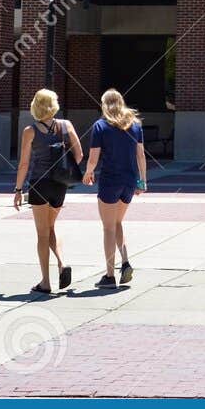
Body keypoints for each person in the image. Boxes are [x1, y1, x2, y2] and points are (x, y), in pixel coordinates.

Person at [12, 88, 83, 295]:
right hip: (60, 185)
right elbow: (79, 154)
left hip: (39, 184)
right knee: (51, 227)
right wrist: (66, 169)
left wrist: (18, 189)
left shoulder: (30, 131)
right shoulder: (65, 125)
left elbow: (24, 163)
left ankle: (45, 282)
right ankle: (62, 263)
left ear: (36, 106)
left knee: (42, 234)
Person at [82, 88, 147, 288]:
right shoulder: (135, 125)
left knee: (108, 227)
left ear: (104, 104)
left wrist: (88, 172)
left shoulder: (100, 126)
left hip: (110, 181)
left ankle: (109, 275)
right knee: (118, 222)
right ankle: (125, 262)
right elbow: (141, 156)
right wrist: (142, 181)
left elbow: (93, 157)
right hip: (129, 181)